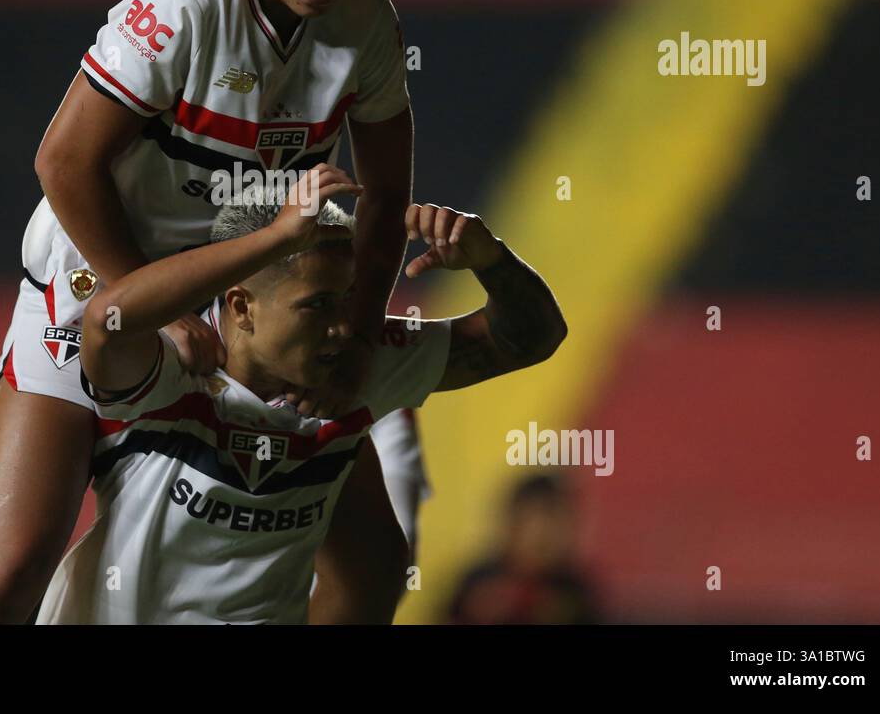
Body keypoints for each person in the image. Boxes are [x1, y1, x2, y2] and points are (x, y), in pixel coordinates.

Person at [0, 0, 419, 623]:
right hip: (98, 289)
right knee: (10, 568)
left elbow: (385, 194)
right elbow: (64, 162)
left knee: (376, 561)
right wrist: (153, 309)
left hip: (240, 317)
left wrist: (356, 327)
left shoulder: (366, 23)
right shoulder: (183, 6)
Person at [38, 166, 567, 623]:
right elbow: (105, 322)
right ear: (241, 307)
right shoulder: (171, 366)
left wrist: (491, 260)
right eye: (318, 305)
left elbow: (532, 339)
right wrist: (277, 238)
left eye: (348, 299)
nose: (344, 326)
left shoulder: (354, 368)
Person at [447, 474, 599, 625]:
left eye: (555, 523)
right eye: (533, 522)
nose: (544, 535)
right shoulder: (480, 585)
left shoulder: (574, 593)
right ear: (512, 525)